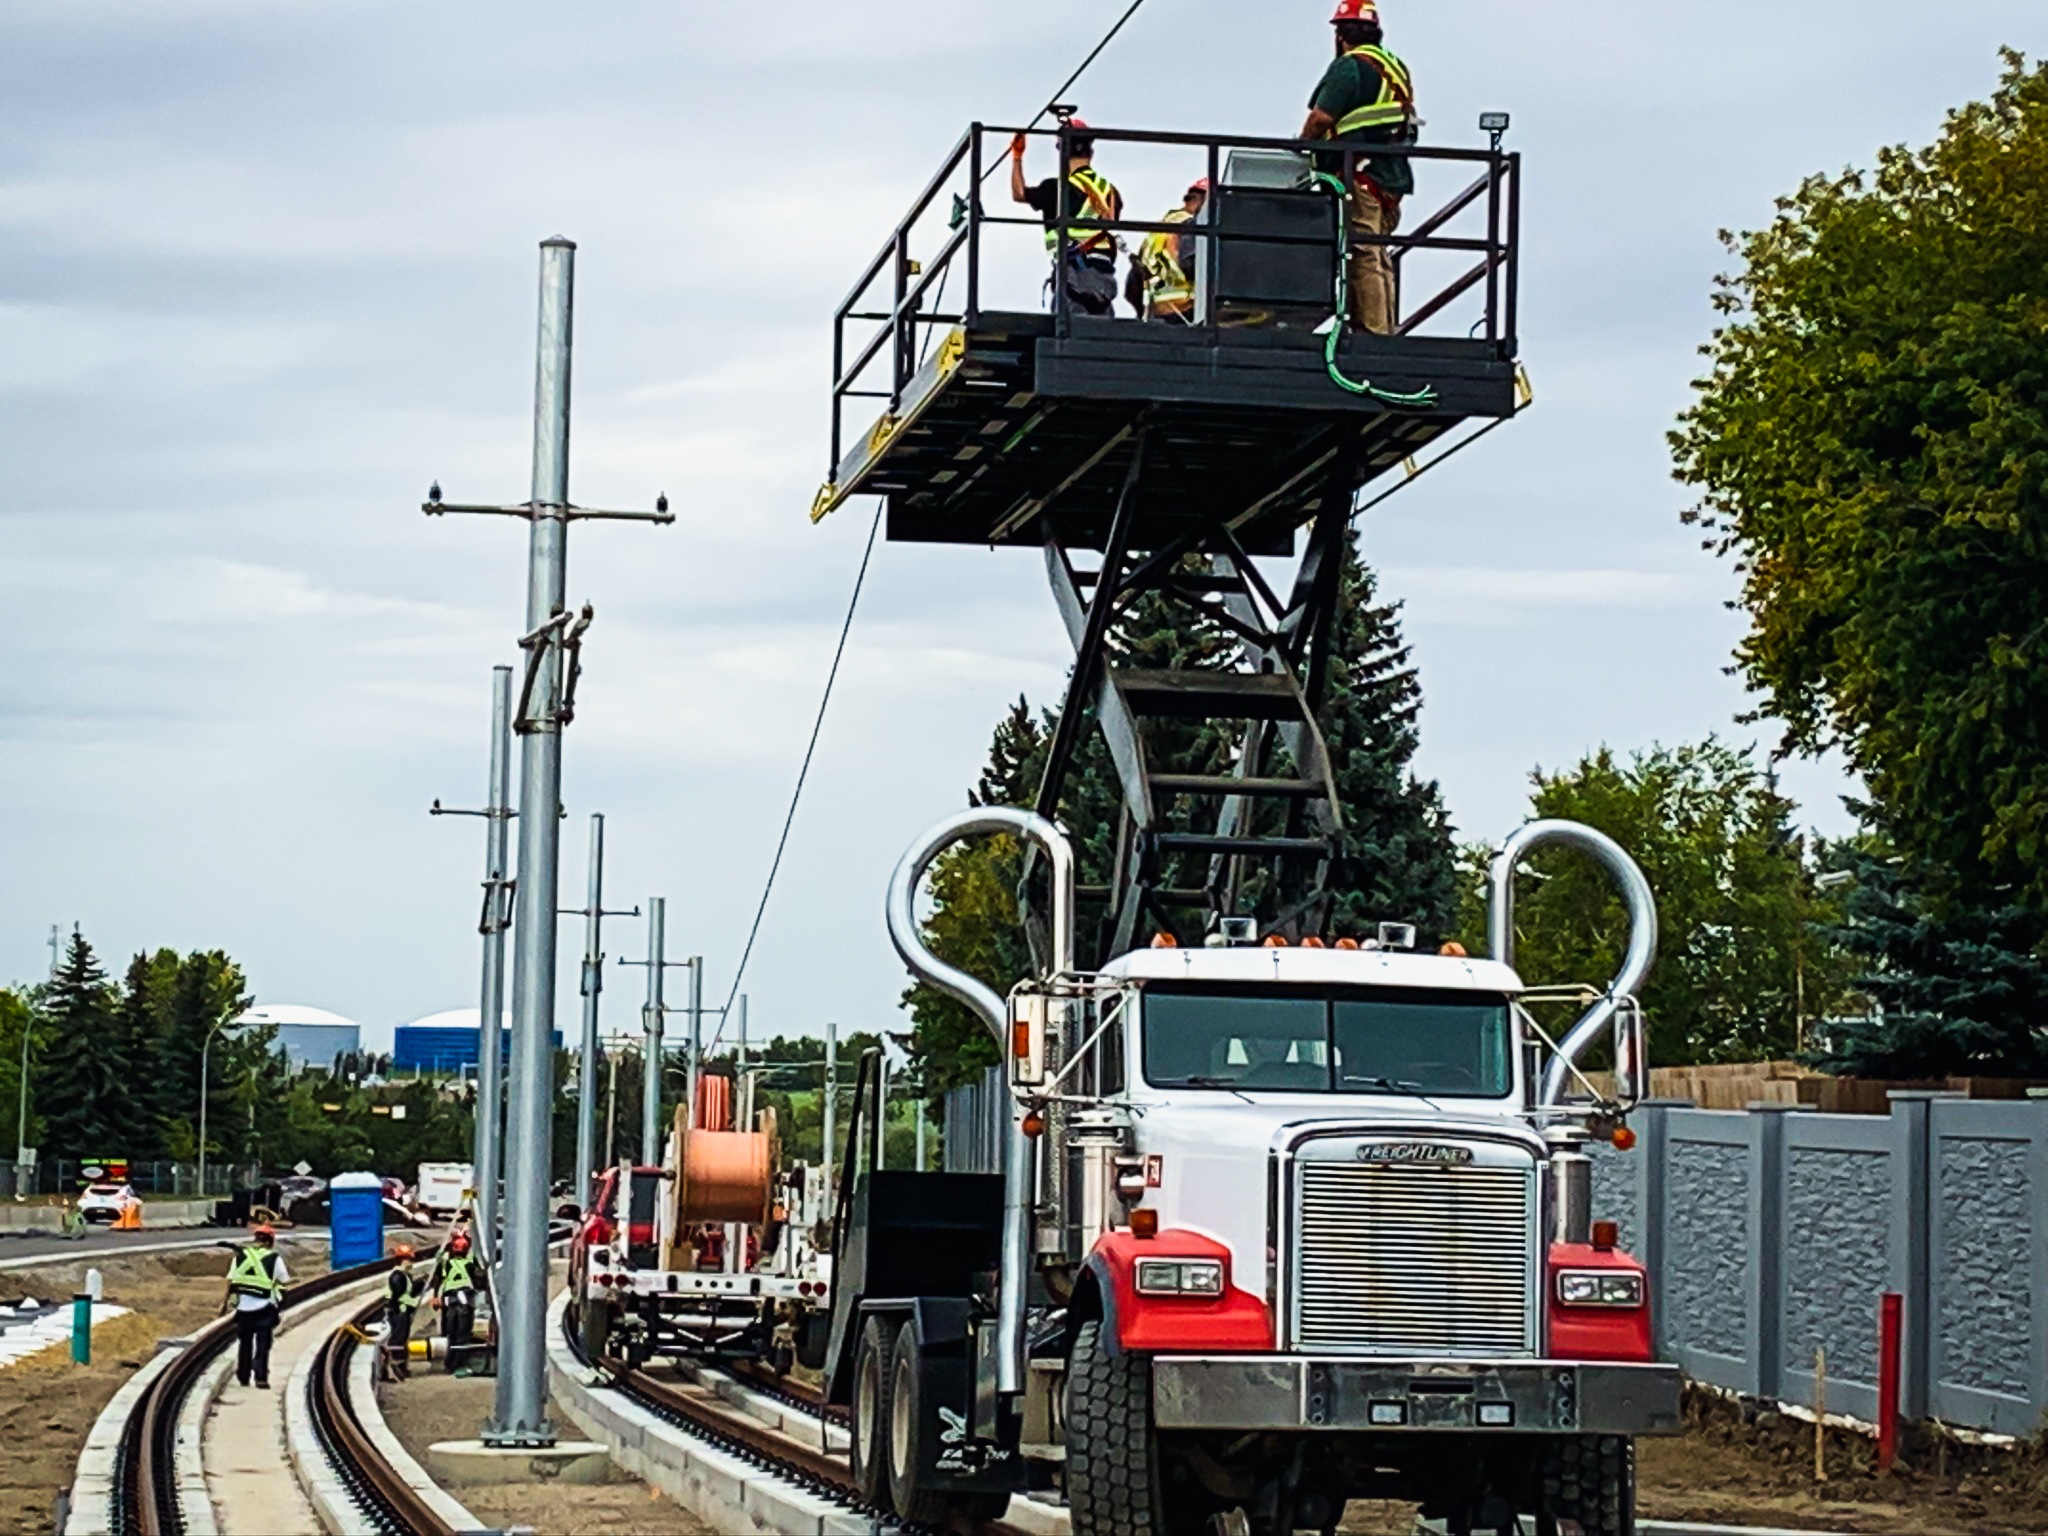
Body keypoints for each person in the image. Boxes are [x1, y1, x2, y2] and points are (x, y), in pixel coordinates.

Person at [1300, 0, 1418, 333]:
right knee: (1379, 253)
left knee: (1364, 250)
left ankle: (1374, 331)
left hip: (1361, 175)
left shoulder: (1349, 66)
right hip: (1391, 175)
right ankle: (1385, 327)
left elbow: (1321, 117)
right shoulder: (1395, 67)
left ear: (1341, 35)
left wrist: (1301, 146)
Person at [1010, 118, 1125, 317]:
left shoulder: (1057, 188)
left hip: (1074, 276)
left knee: (1069, 332)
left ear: (1063, 152)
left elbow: (1019, 193)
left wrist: (1017, 156)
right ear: (1091, 153)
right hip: (1104, 277)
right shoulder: (1110, 191)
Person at [1127, 178, 1209, 322]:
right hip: (1186, 313)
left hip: (1156, 316)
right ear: (1204, 201)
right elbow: (1192, 265)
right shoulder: (1193, 226)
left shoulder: (1155, 234)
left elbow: (1133, 285)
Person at [222, 1224, 288, 1389]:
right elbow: (283, 1280)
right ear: (270, 1242)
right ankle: (261, 1377)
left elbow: (230, 1281)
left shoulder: (240, 1257)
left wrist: (225, 1304)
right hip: (264, 1307)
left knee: (245, 1342)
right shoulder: (274, 1258)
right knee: (262, 1344)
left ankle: (243, 1376)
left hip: (243, 1308)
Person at [429, 1229, 487, 1353]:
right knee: (462, 1331)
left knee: (450, 1329)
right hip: (465, 1297)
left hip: (449, 1297)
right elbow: (479, 1281)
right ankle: (457, 1359)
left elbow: (437, 1279)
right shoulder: (470, 1260)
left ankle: (450, 1359)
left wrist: (435, 1297)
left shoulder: (445, 1260)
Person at [383, 1246, 421, 1380]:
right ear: (402, 1260)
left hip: (402, 1311)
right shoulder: (397, 1276)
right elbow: (399, 1296)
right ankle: (396, 1365)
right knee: (398, 1339)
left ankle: (401, 1365)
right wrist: (413, 1303)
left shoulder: (403, 1276)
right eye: (410, 1260)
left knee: (402, 1338)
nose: (411, 1263)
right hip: (399, 1311)